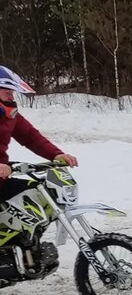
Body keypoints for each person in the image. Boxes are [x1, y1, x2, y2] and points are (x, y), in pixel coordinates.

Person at [0, 66, 79, 202]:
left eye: (12, 93)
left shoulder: (11, 117)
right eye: (7, 92)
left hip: (2, 179)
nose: (11, 96)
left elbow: (30, 136)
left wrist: (56, 154)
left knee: (43, 198)